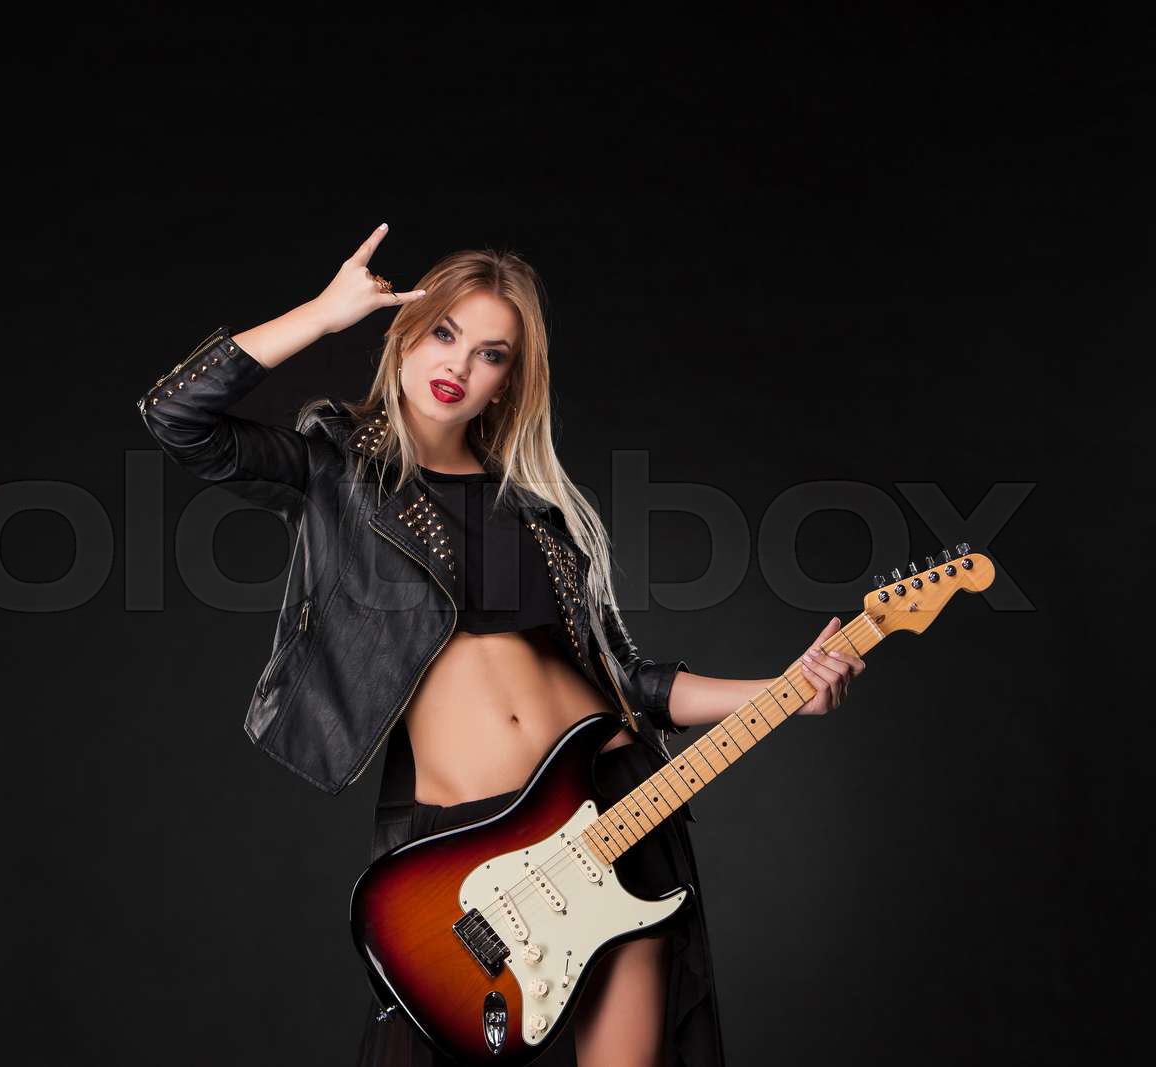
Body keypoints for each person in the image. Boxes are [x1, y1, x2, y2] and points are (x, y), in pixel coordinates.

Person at [135, 224, 866, 1066]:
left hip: (613, 809)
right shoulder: (340, 469)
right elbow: (176, 416)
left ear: (508, 381)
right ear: (404, 335)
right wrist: (325, 312)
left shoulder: (543, 514)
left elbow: (629, 682)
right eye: (444, 333)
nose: (459, 364)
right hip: (468, 844)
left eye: (491, 353)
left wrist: (786, 688)